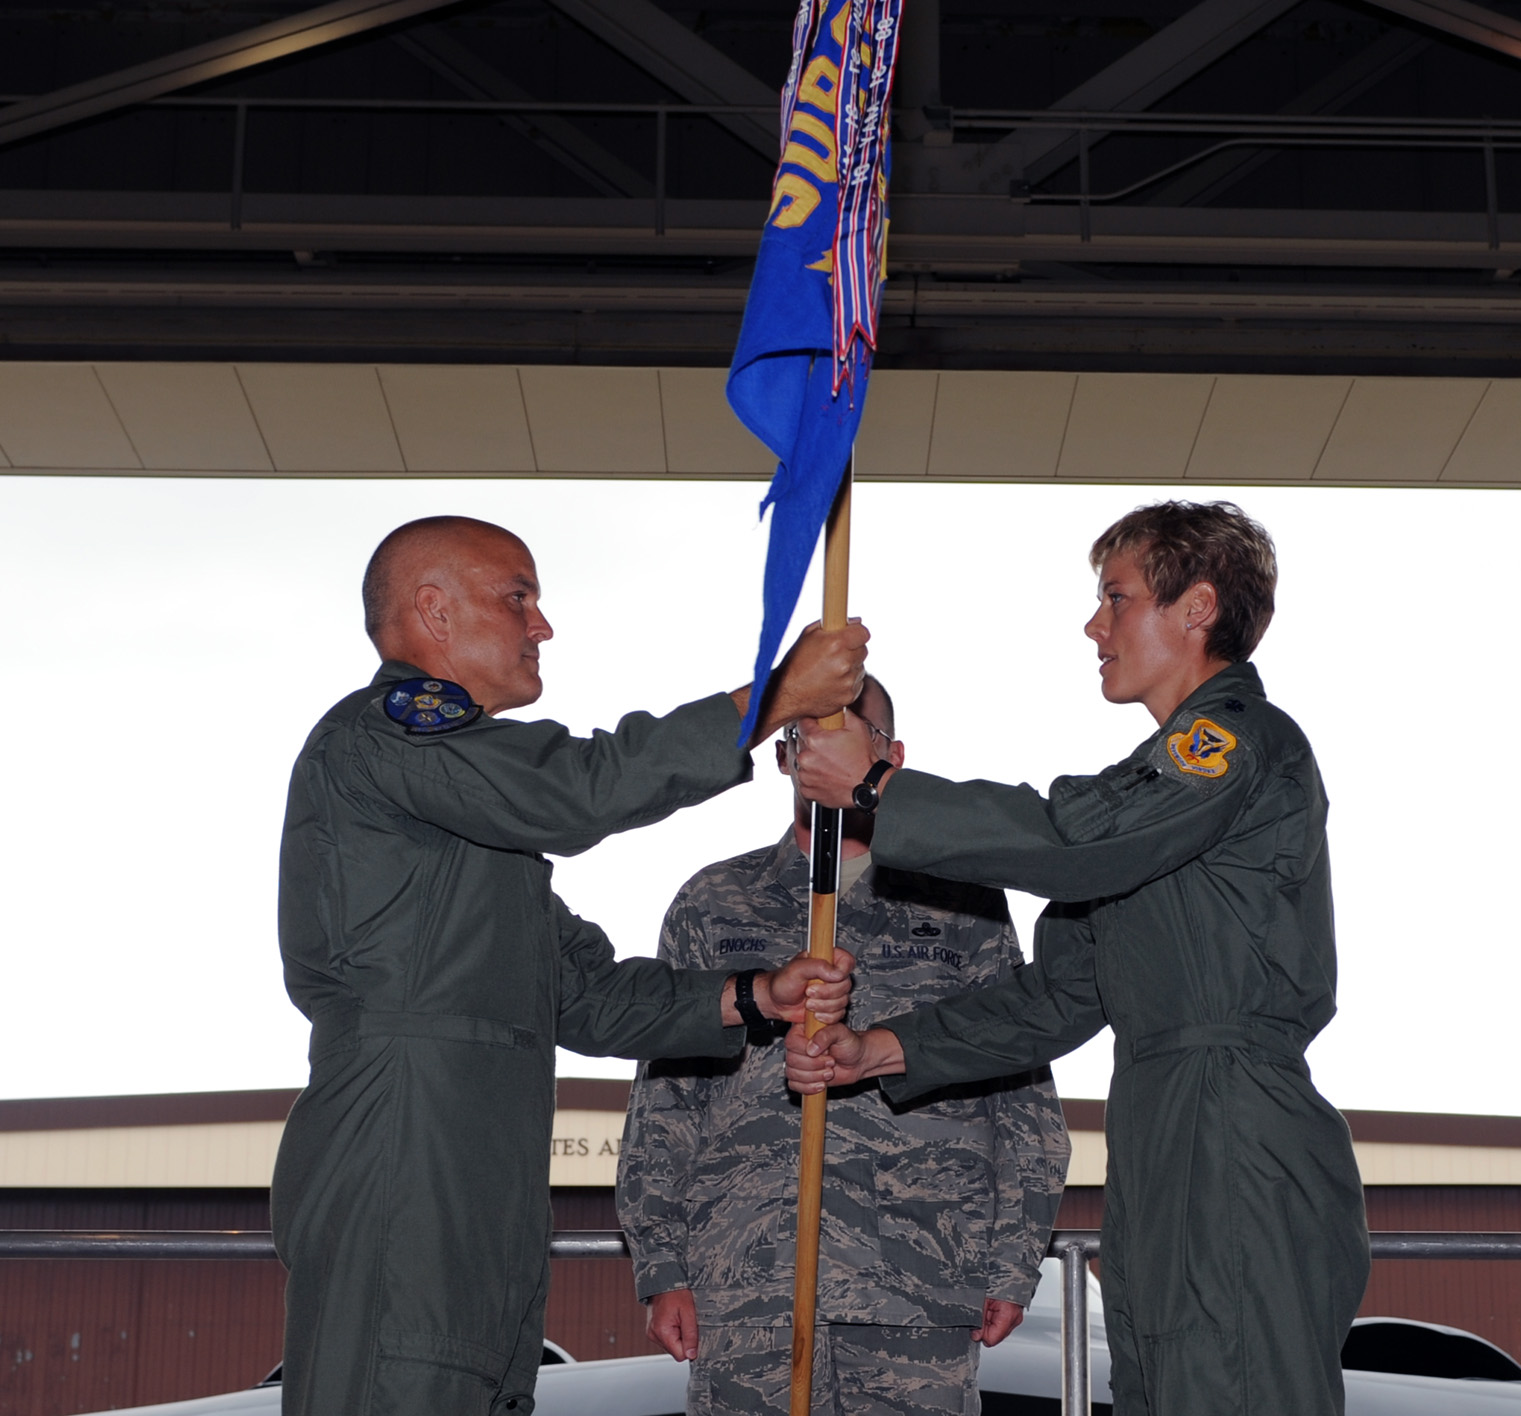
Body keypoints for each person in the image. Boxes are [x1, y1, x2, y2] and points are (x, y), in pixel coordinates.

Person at [784, 501, 1370, 1416]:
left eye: (1116, 597)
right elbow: (1054, 1000)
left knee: (1238, 1382)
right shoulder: (1149, 795)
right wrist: (882, 1050)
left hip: (1234, 1126)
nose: (1094, 625)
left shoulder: (1233, 746)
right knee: (1161, 1379)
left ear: (1196, 607)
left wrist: (877, 787)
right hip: (1162, 1127)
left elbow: (1071, 839)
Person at [273, 514, 865, 1416]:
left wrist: (754, 995)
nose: (540, 625)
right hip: (408, 1131)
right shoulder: (388, 737)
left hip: (478, 1150)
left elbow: (583, 992)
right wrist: (771, 701)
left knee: (475, 1383)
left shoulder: (465, 814)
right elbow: (574, 789)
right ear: (432, 611)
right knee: (403, 1377)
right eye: (518, 598)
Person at [616, 674, 1072, 1416]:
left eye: (852, 733)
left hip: (918, 1288)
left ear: (890, 755)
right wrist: (662, 1265)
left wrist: (1013, 1264)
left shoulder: (962, 904)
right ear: (784, 755)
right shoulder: (713, 903)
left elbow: (1020, 1094)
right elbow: (665, 1100)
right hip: (749, 1288)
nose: (824, 748)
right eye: (807, 732)